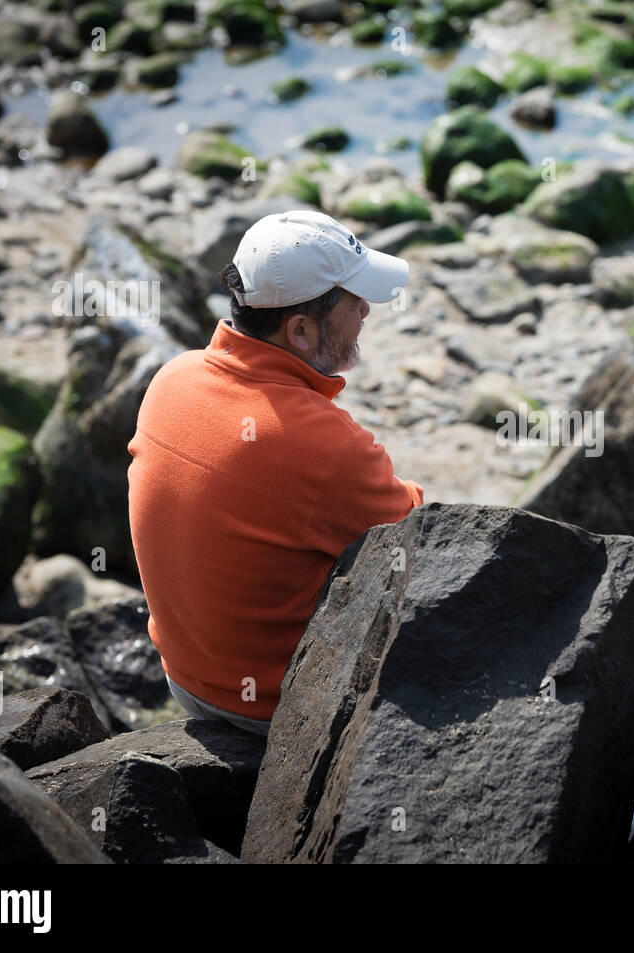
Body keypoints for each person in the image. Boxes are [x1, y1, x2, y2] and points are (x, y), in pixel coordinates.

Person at [127, 210, 424, 736]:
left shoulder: (172, 379)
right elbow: (420, 536)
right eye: (354, 301)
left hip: (186, 681)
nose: (365, 311)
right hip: (273, 708)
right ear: (302, 330)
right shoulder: (324, 446)